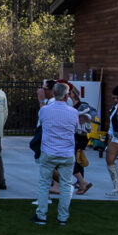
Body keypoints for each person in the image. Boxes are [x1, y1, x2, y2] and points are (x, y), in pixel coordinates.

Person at [30, 82, 79, 225]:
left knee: (44, 184)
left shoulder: (45, 110)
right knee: (66, 185)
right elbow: (75, 129)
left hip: (49, 151)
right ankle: (63, 217)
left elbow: (41, 123)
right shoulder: (73, 112)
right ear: (66, 96)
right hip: (67, 152)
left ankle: (41, 215)